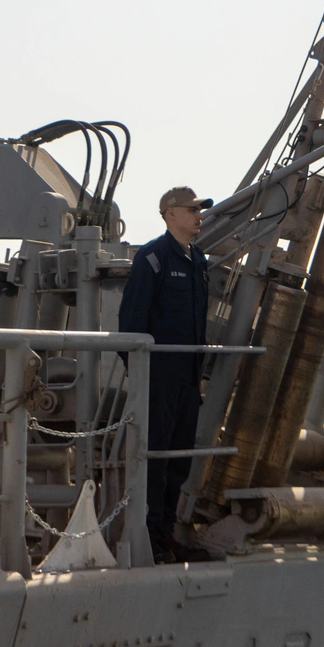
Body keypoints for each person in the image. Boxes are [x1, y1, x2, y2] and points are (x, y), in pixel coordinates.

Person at [118, 185, 212, 562]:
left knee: (178, 461)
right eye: (192, 209)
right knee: (155, 460)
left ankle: (168, 532)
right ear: (170, 213)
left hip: (187, 379)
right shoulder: (153, 258)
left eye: (199, 210)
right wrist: (142, 376)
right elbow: (132, 320)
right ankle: (151, 537)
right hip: (159, 379)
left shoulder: (199, 261)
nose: (198, 215)